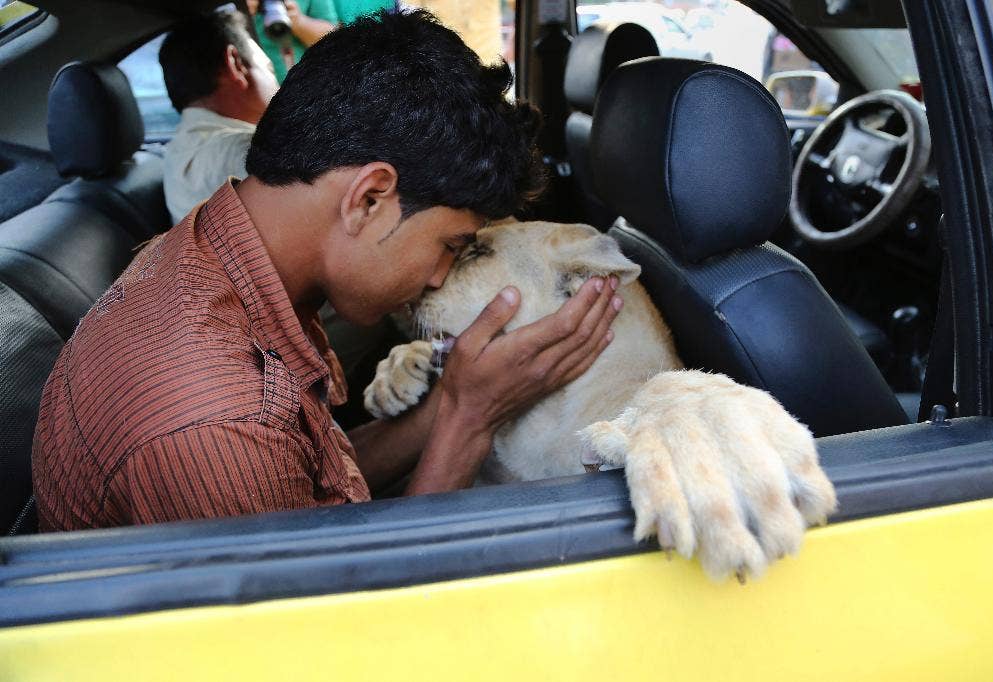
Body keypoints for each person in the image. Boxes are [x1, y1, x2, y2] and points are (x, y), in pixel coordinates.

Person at [32, 9, 622, 531]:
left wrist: (457, 398)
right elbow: (344, 641)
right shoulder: (219, 416)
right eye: (451, 245)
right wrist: (470, 420)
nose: (441, 277)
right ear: (368, 198)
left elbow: (310, 481)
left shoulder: (217, 255)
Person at [160, 10, 279, 224]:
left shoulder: (180, 151)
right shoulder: (243, 152)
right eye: (269, 69)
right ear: (236, 64)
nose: (278, 83)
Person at [247, 0, 339, 83]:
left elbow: (333, 41)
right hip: (253, 90)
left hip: (305, 87)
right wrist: (242, 10)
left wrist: (299, 21)